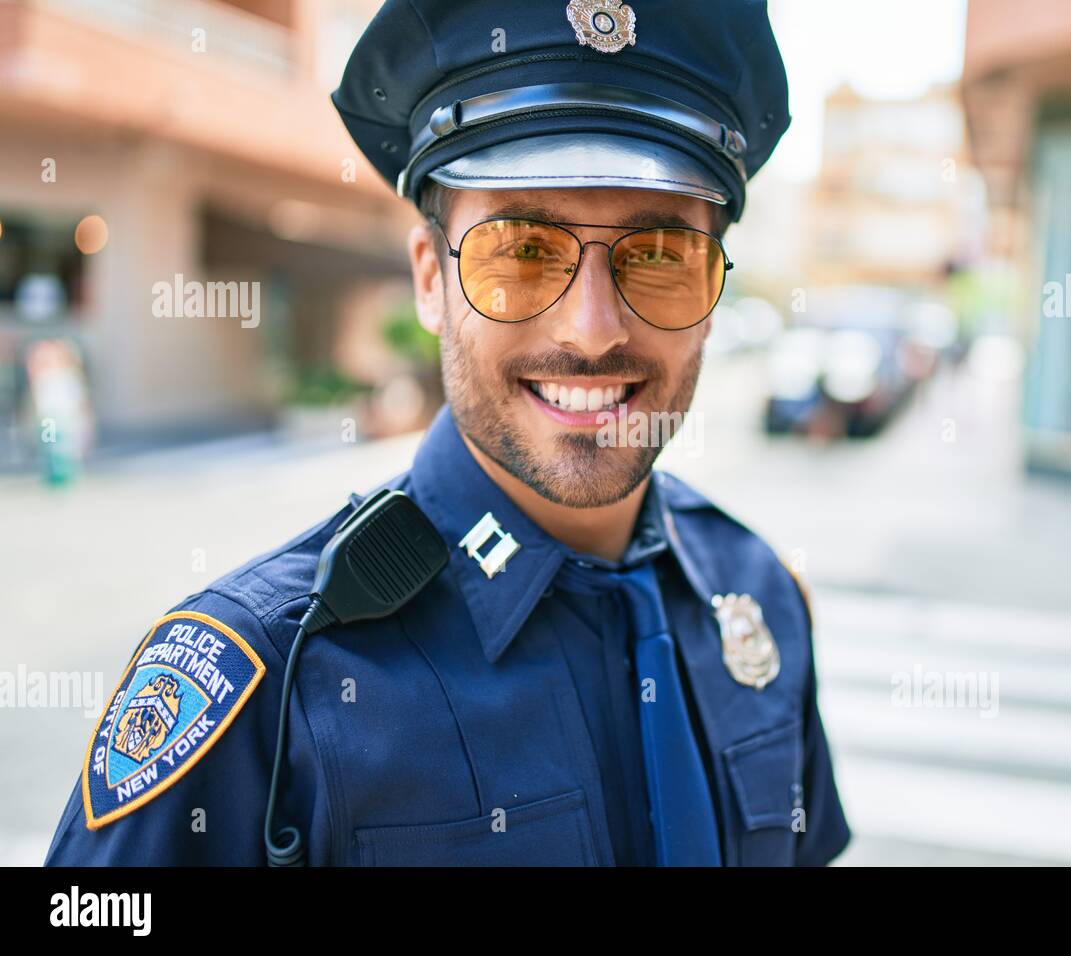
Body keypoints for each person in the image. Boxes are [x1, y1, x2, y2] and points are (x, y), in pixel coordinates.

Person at [45, 0, 851, 866]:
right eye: (522, 249)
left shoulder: (757, 593)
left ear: (715, 288)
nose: (591, 331)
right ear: (430, 279)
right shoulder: (270, 683)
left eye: (659, 255)